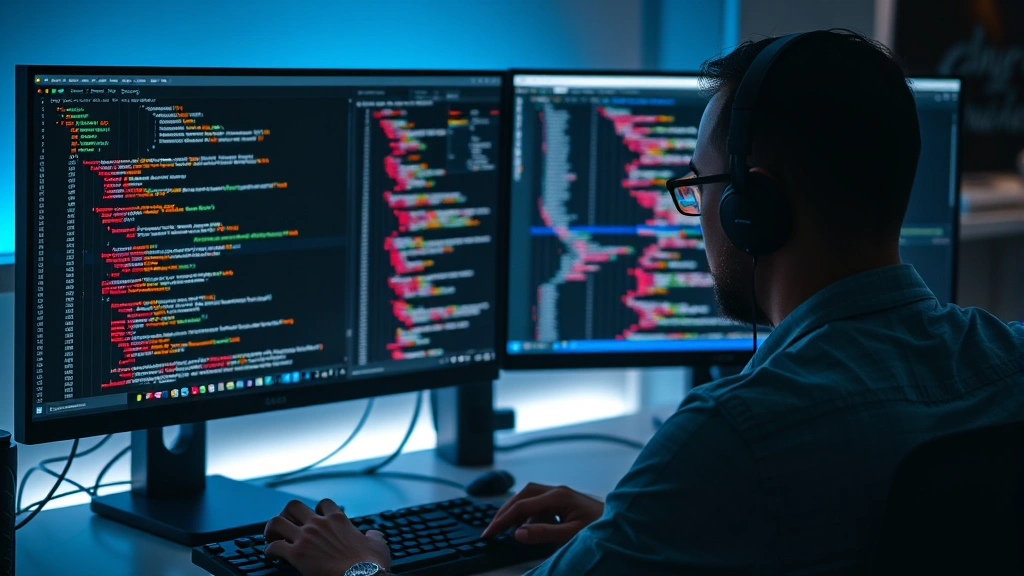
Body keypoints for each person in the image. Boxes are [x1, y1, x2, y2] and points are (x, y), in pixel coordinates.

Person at [260, 29, 1024, 575]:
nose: (696, 213)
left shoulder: (730, 436)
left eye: (699, 185)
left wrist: (358, 568)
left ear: (753, 208)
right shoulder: (1012, 361)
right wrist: (634, 529)